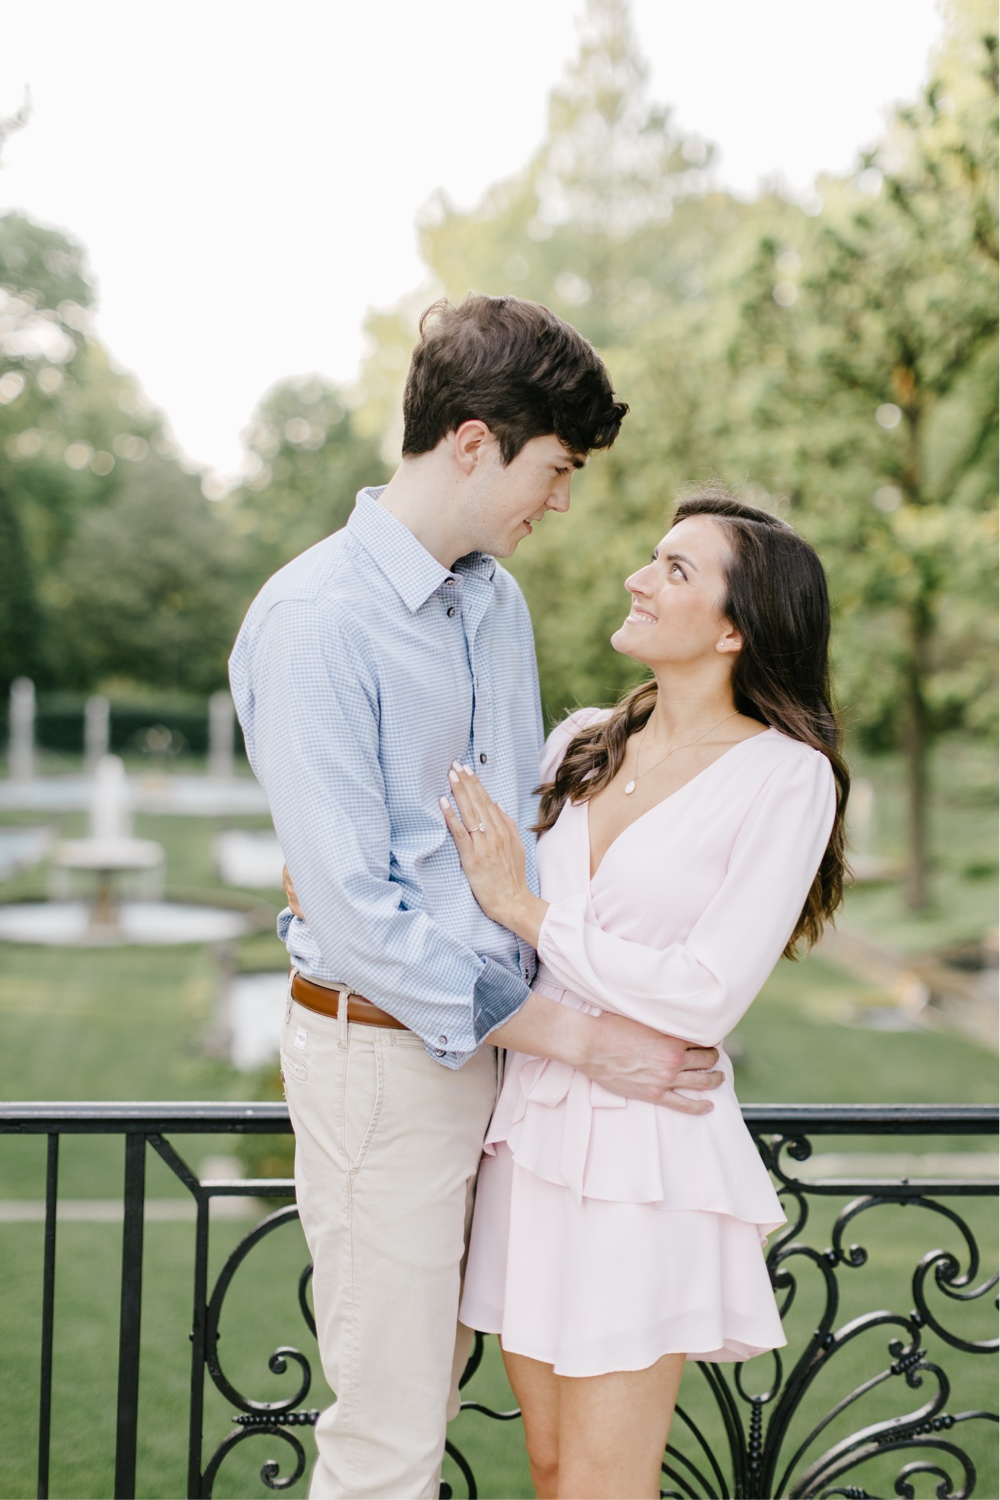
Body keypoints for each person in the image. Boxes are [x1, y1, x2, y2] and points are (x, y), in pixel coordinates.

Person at [229, 294, 725, 1500]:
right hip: (385, 1059)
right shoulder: (312, 622)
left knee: (454, 1389)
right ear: (469, 441)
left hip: (500, 1060)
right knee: (390, 1437)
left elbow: (519, 828)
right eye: (552, 469)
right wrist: (581, 1039)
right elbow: (356, 912)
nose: (560, 502)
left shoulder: (489, 598)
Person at [439, 494, 849, 1500]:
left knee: (602, 1483)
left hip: (646, 1154)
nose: (638, 577)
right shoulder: (579, 741)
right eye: (651, 558)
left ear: (733, 628)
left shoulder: (786, 780)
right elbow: (467, 876)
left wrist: (527, 912)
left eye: (674, 569)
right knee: (546, 1466)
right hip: (527, 1131)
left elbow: (704, 997)